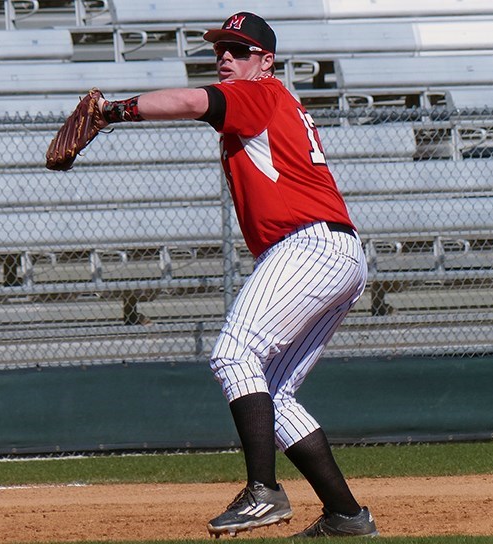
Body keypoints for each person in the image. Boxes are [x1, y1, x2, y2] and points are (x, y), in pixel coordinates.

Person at [91, 12, 377, 538]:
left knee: (233, 354)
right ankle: (346, 515)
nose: (225, 56)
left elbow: (190, 101)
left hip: (309, 244)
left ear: (265, 61)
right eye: (221, 48)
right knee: (275, 395)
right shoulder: (275, 99)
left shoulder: (258, 92)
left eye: (239, 49)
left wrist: (113, 110)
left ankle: (263, 492)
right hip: (337, 251)